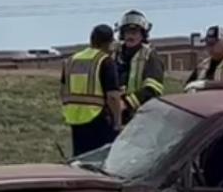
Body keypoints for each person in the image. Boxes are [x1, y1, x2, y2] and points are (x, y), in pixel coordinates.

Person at [59, 24, 125, 157]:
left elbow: (62, 90)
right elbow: (112, 96)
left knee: (80, 159)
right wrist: (118, 122)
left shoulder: (72, 60)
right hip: (98, 118)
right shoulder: (105, 61)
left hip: (74, 118)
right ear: (109, 43)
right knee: (100, 159)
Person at [114, 10, 167, 113]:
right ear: (122, 34)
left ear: (143, 35)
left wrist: (126, 103)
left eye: (134, 32)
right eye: (127, 32)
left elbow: (153, 89)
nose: (130, 36)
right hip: (117, 114)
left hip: (143, 115)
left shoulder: (150, 56)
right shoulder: (115, 55)